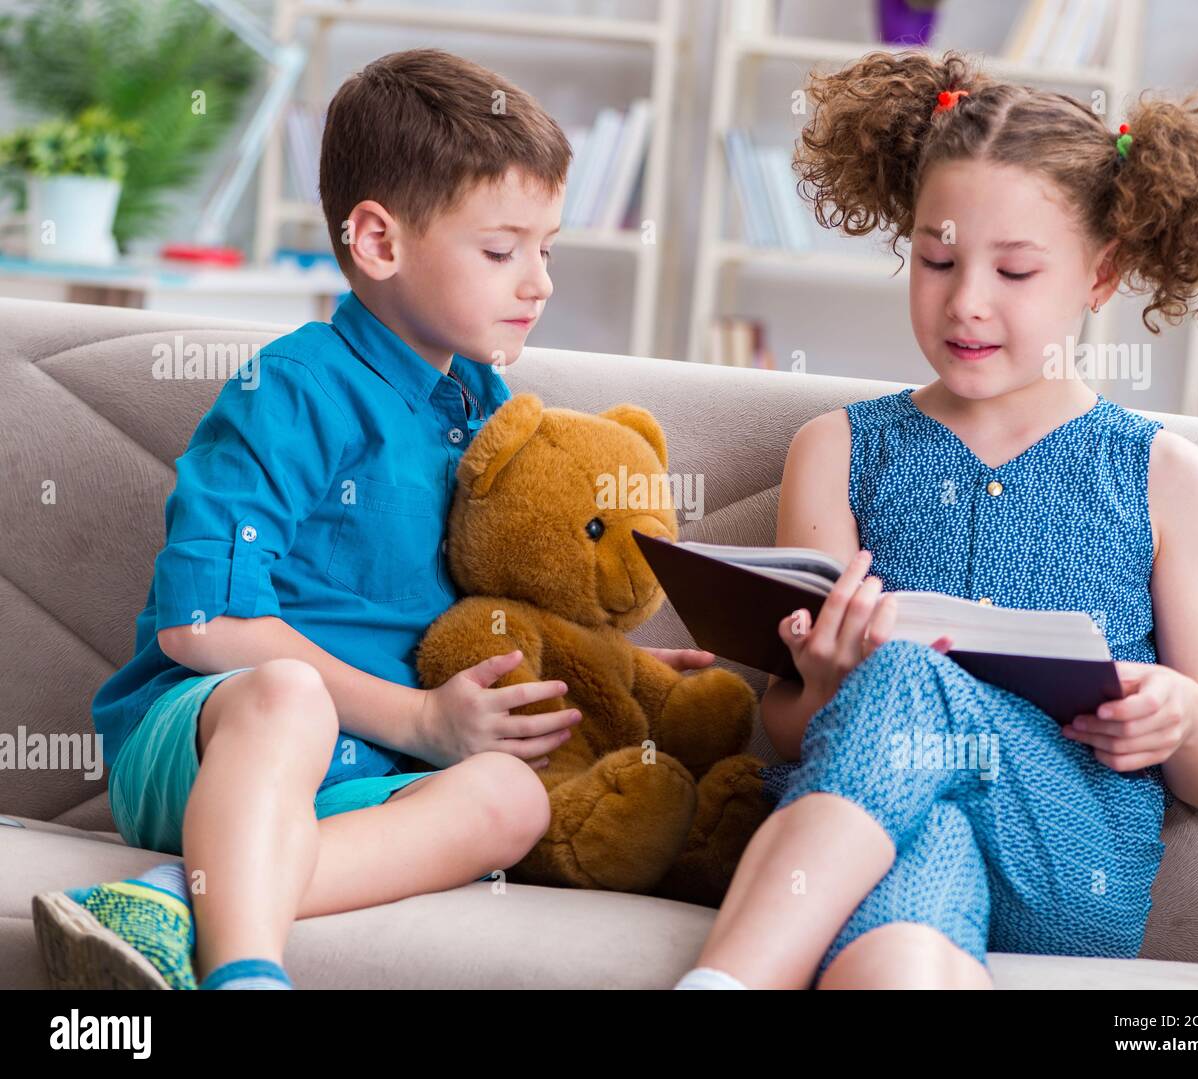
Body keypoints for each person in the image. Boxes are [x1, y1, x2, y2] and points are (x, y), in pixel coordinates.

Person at [31, 48, 710, 991]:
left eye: (546, 248)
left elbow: (505, 580)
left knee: (513, 798)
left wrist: (615, 662)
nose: (539, 282)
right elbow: (200, 625)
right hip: (207, 738)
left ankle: (178, 901)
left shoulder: (484, 403)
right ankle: (245, 970)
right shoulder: (295, 388)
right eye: (502, 249)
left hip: (365, 779)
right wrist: (421, 715)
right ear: (380, 243)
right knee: (286, 696)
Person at [675, 49, 1198, 990]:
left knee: (913, 676)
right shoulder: (835, 448)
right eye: (938, 259)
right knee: (900, 942)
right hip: (890, 837)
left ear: (1102, 275)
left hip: (1067, 857)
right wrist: (824, 681)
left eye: (1016, 270)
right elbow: (793, 728)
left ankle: (724, 982)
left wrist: (1181, 715)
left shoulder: (1166, 474)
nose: (967, 301)